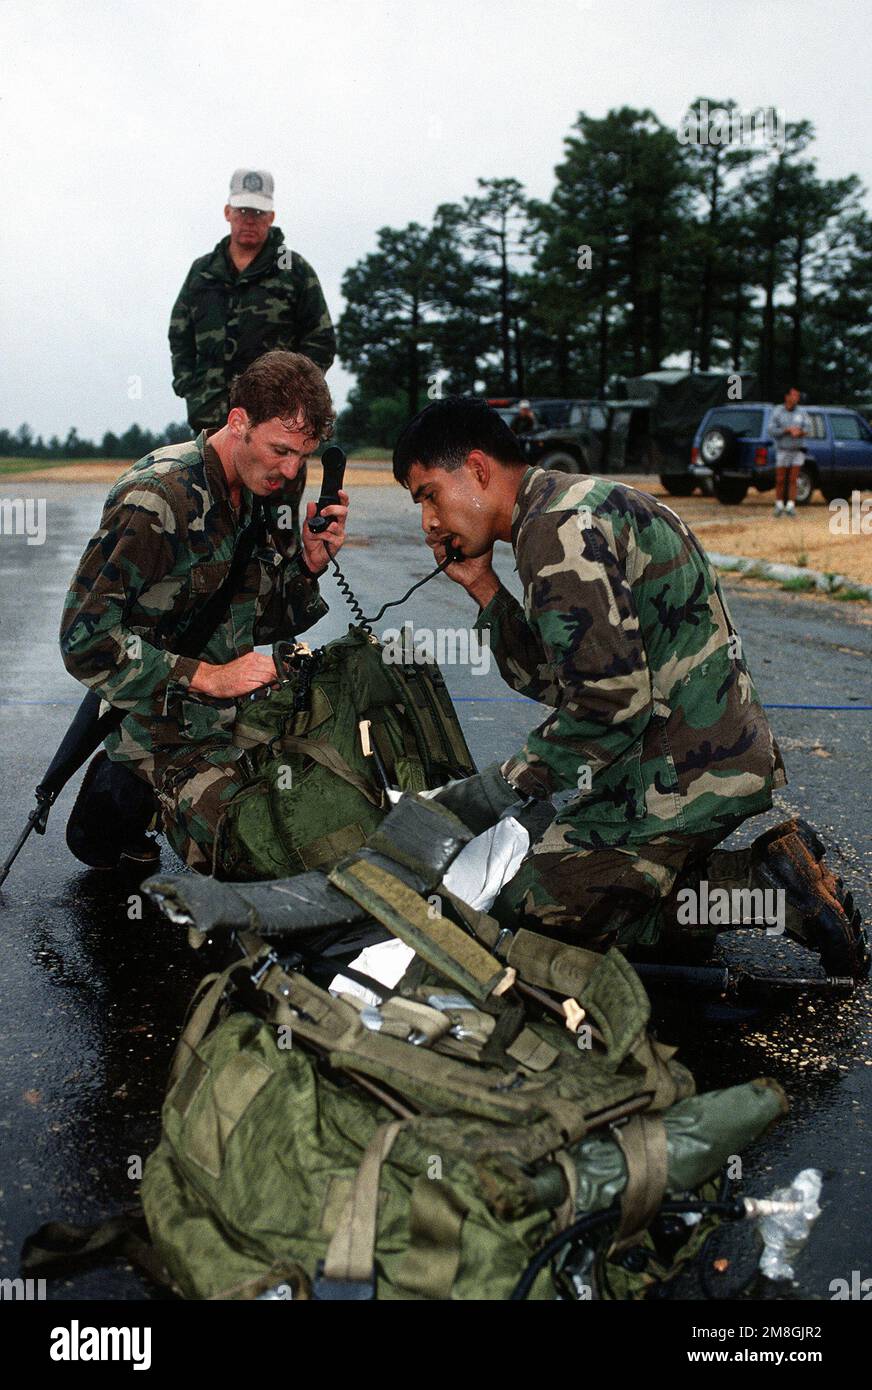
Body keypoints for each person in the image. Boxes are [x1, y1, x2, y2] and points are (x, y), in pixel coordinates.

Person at [392, 396, 795, 954]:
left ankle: (761, 888)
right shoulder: (570, 504)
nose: (429, 521)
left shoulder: (554, 528)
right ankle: (668, 877)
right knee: (564, 877)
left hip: (680, 779)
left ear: (478, 469)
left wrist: (499, 787)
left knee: (527, 913)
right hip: (705, 756)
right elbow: (565, 677)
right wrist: (483, 588)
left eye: (428, 495)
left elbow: (608, 703)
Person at [61, 351, 348, 874]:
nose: (290, 472)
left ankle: (129, 790)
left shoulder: (254, 492)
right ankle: (126, 780)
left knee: (334, 800)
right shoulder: (158, 497)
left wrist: (309, 566)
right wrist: (210, 677)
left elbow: (256, 618)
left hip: (224, 717)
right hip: (158, 721)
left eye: (302, 456)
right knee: (263, 856)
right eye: (281, 450)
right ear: (238, 422)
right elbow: (85, 641)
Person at [169, 169, 336, 435]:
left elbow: (322, 340)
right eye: (242, 211)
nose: (250, 220)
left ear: (271, 217)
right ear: (227, 212)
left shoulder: (293, 270)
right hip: (210, 419)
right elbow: (180, 334)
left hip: (275, 422)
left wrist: (295, 395)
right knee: (207, 478)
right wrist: (188, 383)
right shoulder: (202, 272)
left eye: (258, 213)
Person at [769, 386, 811, 517]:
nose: (796, 398)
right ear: (787, 397)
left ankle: (791, 506)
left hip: (797, 450)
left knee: (793, 479)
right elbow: (771, 430)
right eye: (794, 395)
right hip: (782, 449)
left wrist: (800, 432)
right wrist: (786, 430)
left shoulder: (802, 412)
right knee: (780, 478)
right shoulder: (778, 411)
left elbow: (809, 428)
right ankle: (779, 504)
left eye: (797, 396)